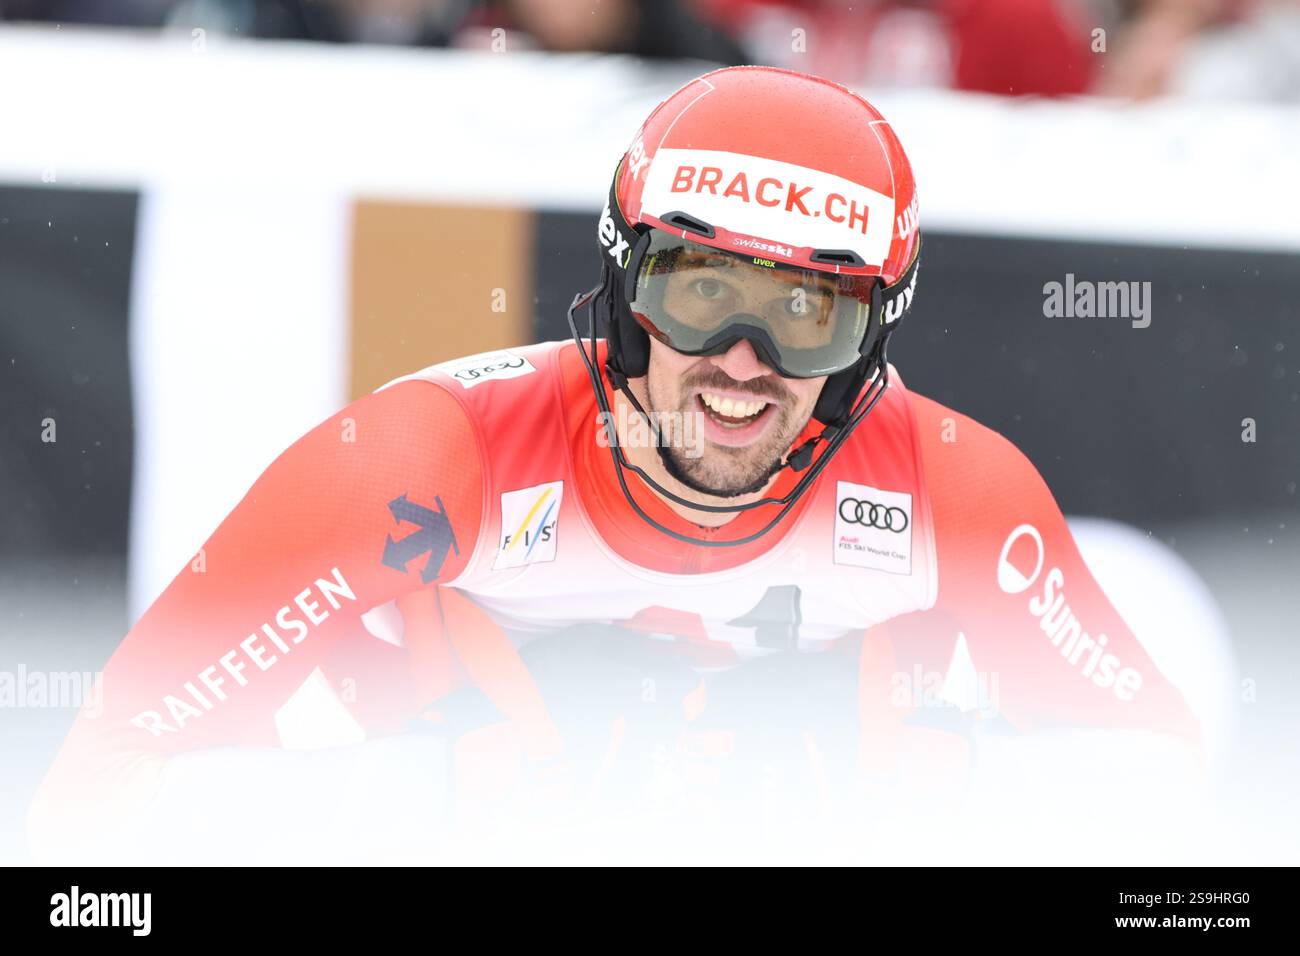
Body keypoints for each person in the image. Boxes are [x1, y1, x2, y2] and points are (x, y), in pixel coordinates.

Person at [30, 66, 1206, 863]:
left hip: (854, 815)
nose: (740, 366)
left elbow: (1171, 797)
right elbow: (119, 752)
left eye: (805, 314)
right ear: (625, 291)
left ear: (871, 341)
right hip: (458, 813)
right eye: (701, 294)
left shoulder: (956, 491)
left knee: (1150, 626)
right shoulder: (426, 460)